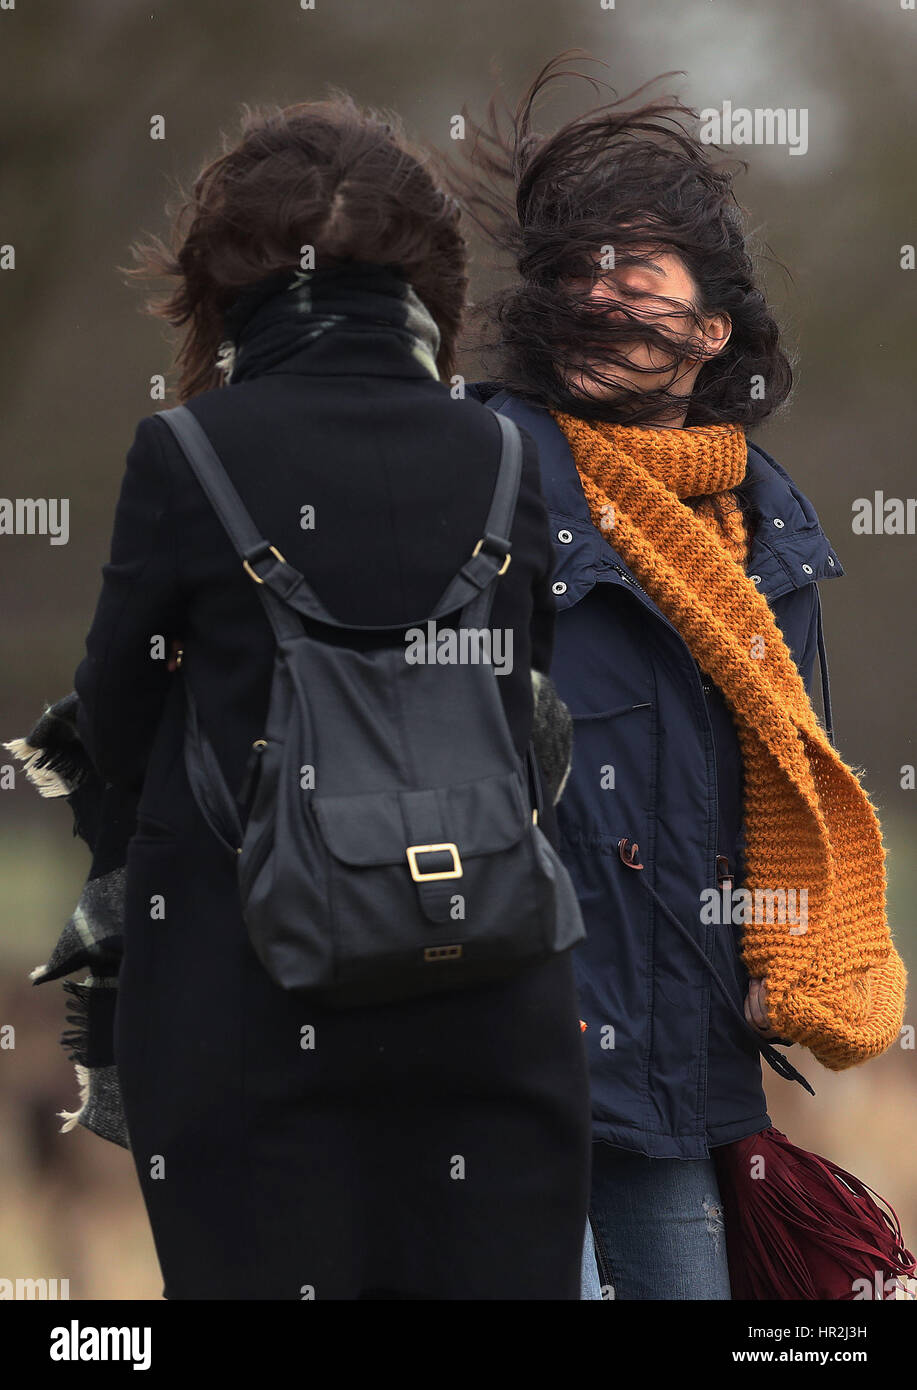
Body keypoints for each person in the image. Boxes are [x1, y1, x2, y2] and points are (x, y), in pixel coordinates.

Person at [70, 94, 591, 1299]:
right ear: (430, 282)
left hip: (248, 1018)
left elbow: (111, 728)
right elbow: (529, 715)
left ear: (221, 281)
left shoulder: (187, 456)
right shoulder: (508, 457)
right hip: (489, 1000)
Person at [449, 58, 904, 1299]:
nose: (598, 295)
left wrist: (780, 948)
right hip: (502, 1061)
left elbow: (768, 800)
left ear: (713, 328)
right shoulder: (481, 482)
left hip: (682, 1078)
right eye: (575, 271)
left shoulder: (770, 535)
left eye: (634, 270)